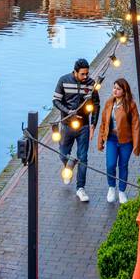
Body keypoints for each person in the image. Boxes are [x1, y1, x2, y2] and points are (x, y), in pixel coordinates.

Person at [53, 57, 101, 203]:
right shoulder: (63, 80)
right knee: (62, 154)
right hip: (67, 126)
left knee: (83, 157)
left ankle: (81, 188)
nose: (85, 77)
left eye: (87, 74)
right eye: (83, 74)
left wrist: (93, 124)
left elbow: (96, 103)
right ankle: (70, 163)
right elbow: (55, 101)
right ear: (75, 72)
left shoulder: (91, 84)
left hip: (84, 127)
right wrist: (68, 111)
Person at [97, 77, 140, 205]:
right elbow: (104, 123)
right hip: (111, 139)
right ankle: (111, 187)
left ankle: (122, 191)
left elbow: (136, 125)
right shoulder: (109, 102)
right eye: (114, 87)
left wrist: (136, 144)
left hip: (125, 141)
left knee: (123, 165)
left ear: (124, 91)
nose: (115, 91)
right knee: (110, 165)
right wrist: (100, 140)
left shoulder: (131, 105)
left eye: (118, 88)